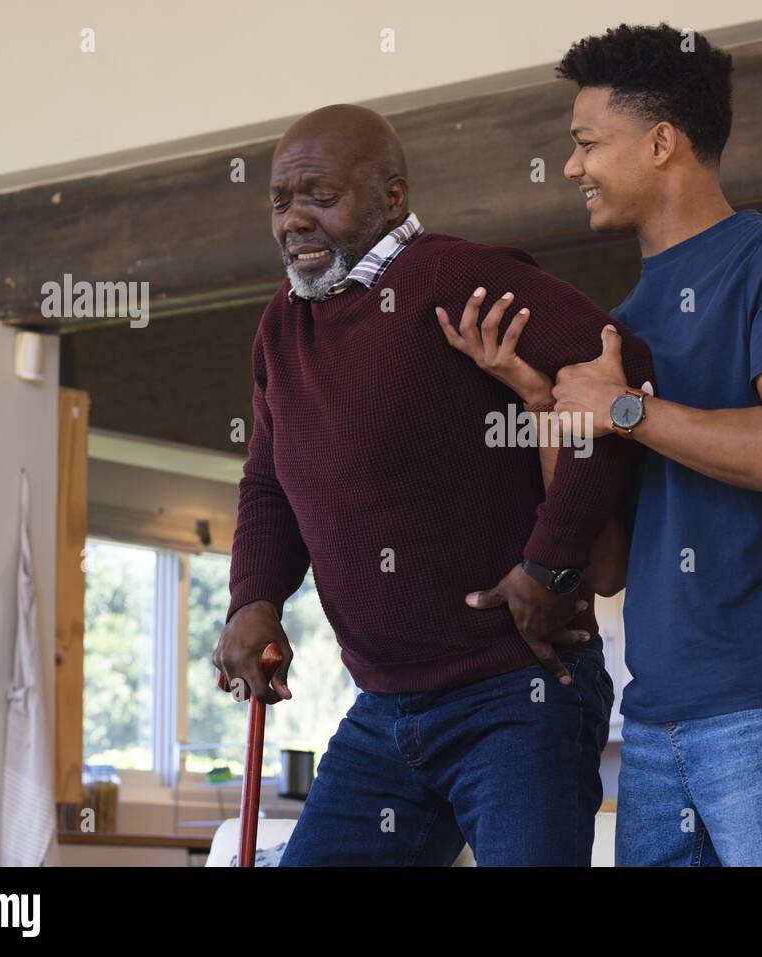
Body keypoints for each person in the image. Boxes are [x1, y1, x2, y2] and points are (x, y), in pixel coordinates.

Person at [441, 24, 762, 866]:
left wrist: (627, 411)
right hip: (655, 715)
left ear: (663, 141)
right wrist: (545, 401)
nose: (571, 168)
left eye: (587, 143)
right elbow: (606, 567)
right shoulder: (619, 331)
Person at [213, 104, 653, 866]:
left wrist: (554, 558)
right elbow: (267, 482)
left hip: (517, 692)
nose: (293, 221)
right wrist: (254, 598)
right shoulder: (282, 325)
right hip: (382, 705)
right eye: (280, 202)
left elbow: (620, 370)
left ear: (392, 197)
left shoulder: (458, 278)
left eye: (319, 195)